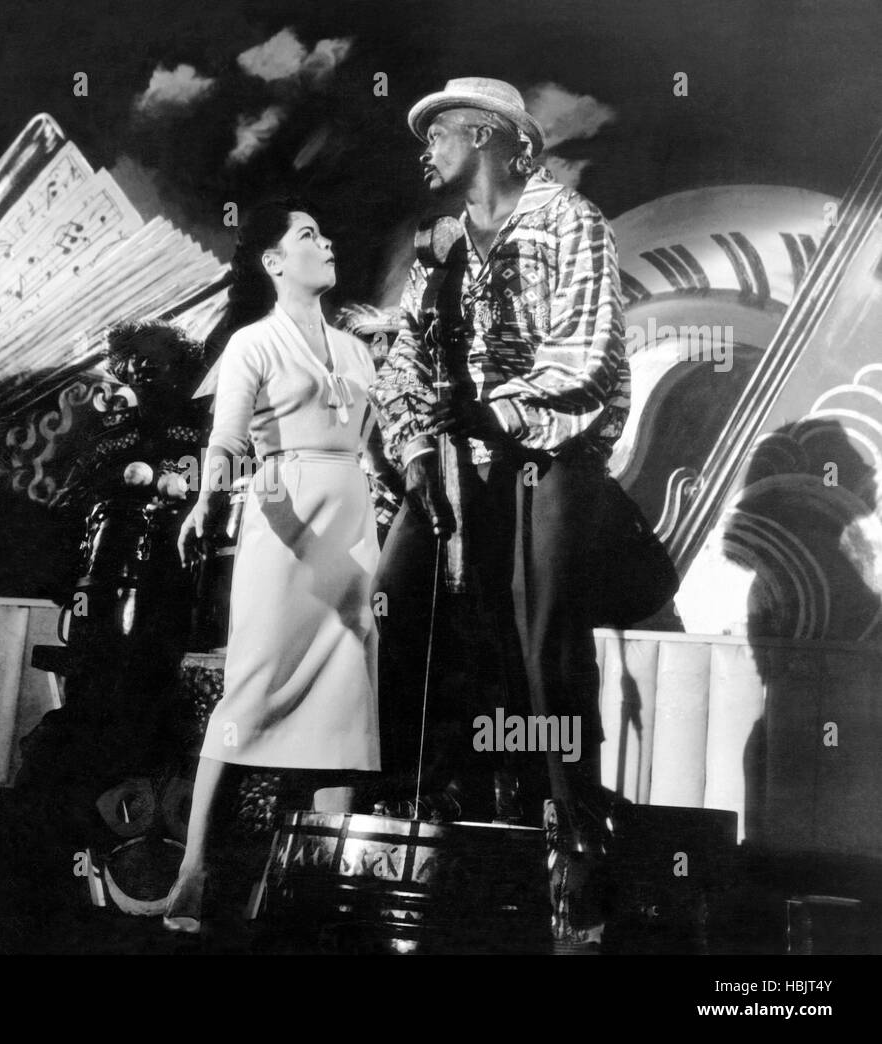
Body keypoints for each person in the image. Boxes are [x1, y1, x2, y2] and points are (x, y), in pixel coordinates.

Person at [371, 78, 631, 949]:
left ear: (484, 133)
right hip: (457, 465)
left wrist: (495, 412)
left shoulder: (569, 221)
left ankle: (575, 834)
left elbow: (586, 357)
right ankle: (452, 795)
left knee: (544, 642)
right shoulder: (440, 249)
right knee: (404, 604)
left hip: (545, 457)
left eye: (438, 132)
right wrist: (415, 454)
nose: (425, 149)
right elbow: (404, 362)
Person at [168, 201, 382, 931]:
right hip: (282, 520)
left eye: (325, 231)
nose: (326, 243)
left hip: (353, 527)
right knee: (248, 693)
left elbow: (375, 443)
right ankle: (193, 870)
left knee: (343, 705)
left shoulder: (357, 350)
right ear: (273, 262)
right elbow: (226, 437)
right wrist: (204, 499)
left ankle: (316, 888)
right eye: (307, 236)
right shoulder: (253, 344)